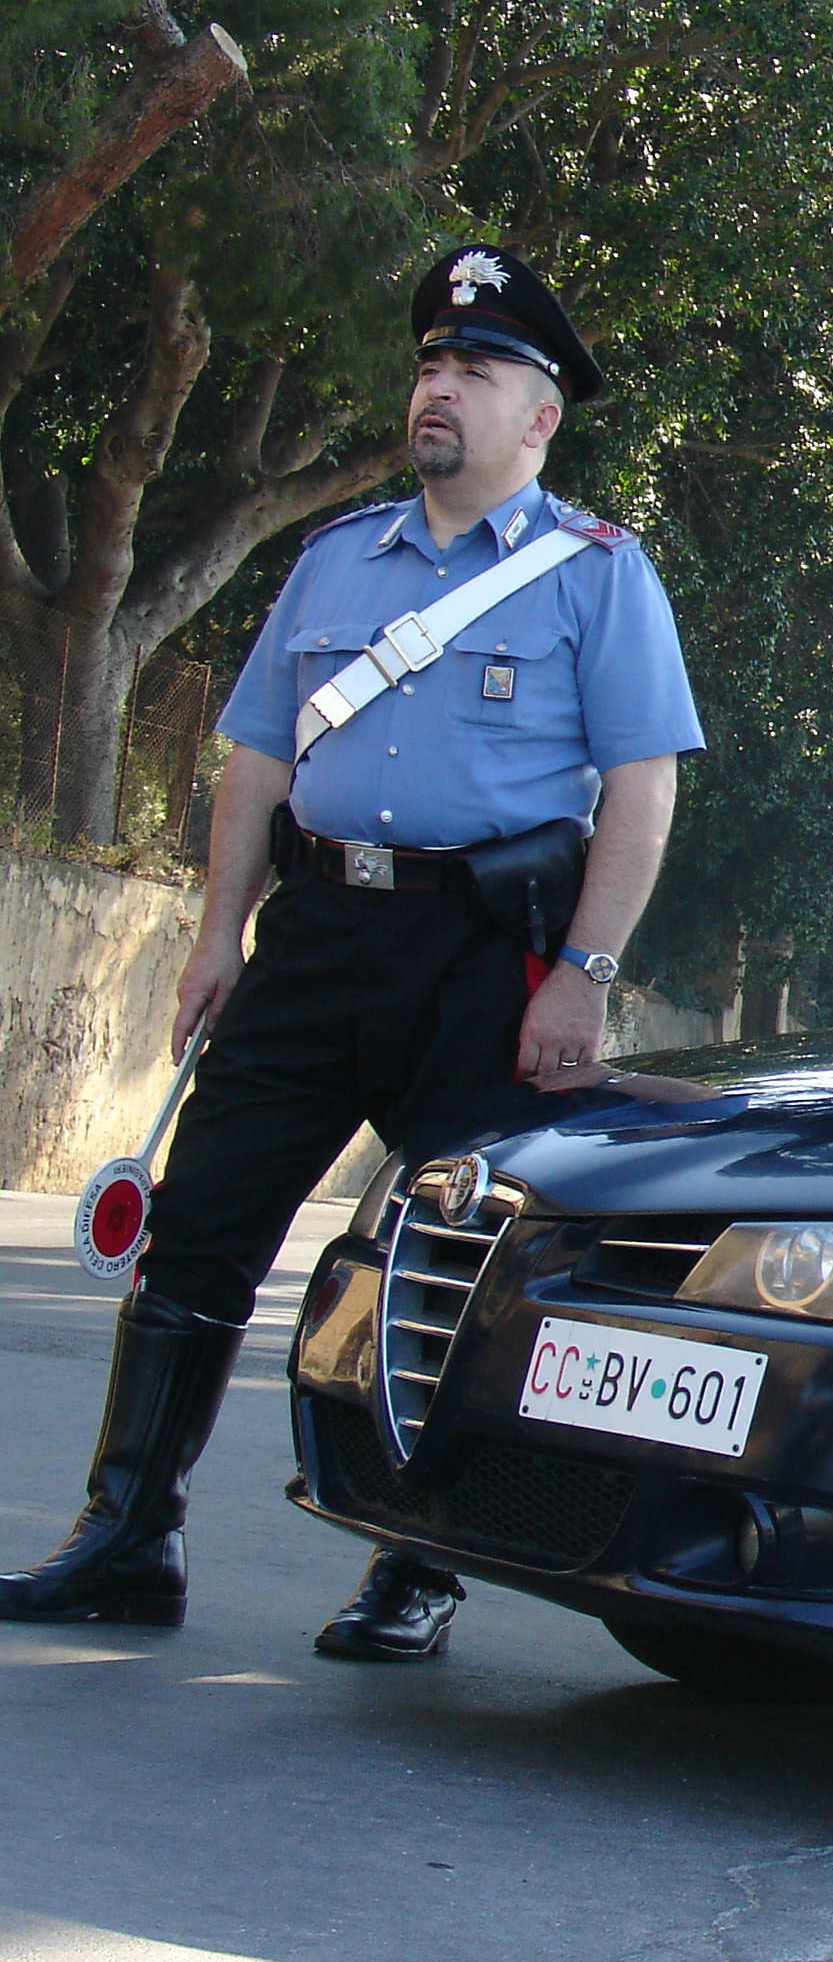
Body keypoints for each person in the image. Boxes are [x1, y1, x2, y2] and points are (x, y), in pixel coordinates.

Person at [0, 245, 702, 1660]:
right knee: (199, 1226)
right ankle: (130, 1532)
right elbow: (258, 756)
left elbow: (643, 789)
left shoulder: (597, 579)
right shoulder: (335, 561)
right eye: (432, 365)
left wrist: (585, 974)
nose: (440, 388)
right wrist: (217, 934)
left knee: (446, 1261)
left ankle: (415, 1565)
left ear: (539, 419)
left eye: (477, 371)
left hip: (477, 952)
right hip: (314, 938)